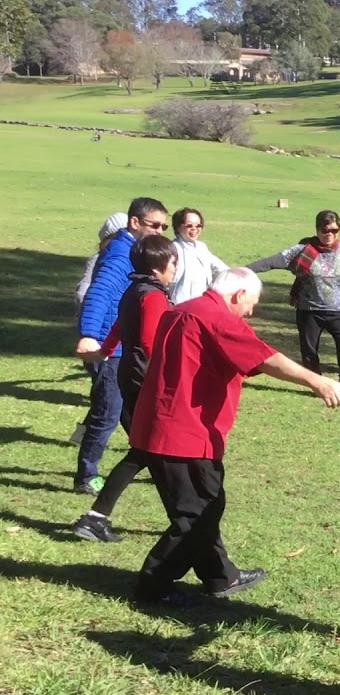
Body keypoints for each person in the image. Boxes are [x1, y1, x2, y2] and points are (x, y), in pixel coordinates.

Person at [130, 268, 340, 606]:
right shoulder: (214, 317)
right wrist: (317, 381)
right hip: (184, 432)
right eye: (251, 303)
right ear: (238, 293)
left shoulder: (184, 308)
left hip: (163, 425)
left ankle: (220, 576)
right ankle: (153, 584)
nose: (251, 312)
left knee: (203, 506)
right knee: (197, 515)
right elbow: (264, 357)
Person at [73, 235, 179, 543]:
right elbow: (149, 342)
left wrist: (105, 351)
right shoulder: (154, 296)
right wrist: (167, 376)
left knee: (149, 450)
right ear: (158, 266)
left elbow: (120, 325)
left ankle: (181, 517)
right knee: (148, 450)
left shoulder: (134, 289)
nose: (175, 267)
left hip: (128, 374)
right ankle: (184, 518)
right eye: (172, 262)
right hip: (145, 380)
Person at [74, 197, 170, 494]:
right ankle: (86, 476)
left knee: (134, 411)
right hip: (108, 348)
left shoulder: (135, 252)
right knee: (108, 413)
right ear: (135, 223)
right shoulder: (120, 255)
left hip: (122, 345)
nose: (160, 231)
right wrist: (90, 333)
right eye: (155, 225)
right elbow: (98, 292)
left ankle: (156, 464)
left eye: (164, 227)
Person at [248, 210, 340, 383]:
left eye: (334, 230)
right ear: (317, 230)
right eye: (325, 231)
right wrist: (244, 271)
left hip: (338, 310)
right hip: (309, 310)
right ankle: (316, 382)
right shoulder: (302, 251)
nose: (330, 235)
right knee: (309, 351)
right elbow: (271, 262)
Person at [70, 212, 129, 446]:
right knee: (108, 398)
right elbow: (83, 291)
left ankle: (83, 436)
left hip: (117, 338)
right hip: (101, 338)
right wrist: (95, 315)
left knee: (107, 396)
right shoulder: (100, 259)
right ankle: (88, 456)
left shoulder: (129, 256)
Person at [170, 207, 229, 305]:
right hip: (181, 305)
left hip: (202, 303)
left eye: (198, 226)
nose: (194, 229)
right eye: (189, 225)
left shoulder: (201, 247)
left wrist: (237, 275)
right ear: (178, 227)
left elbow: (219, 267)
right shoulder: (173, 249)